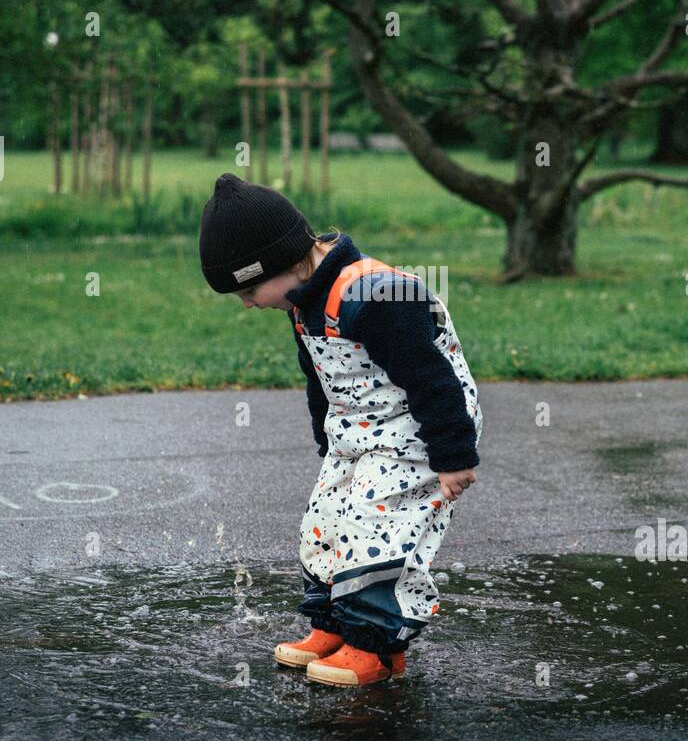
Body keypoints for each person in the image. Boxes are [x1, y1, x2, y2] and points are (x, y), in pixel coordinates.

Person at [199, 172, 483, 687]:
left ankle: (375, 646)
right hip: (361, 431)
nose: (247, 303)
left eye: (248, 288)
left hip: (419, 431)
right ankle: (335, 627)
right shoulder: (304, 300)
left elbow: (430, 378)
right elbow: (321, 378)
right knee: (324, 522)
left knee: (375, 531)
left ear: (282, 262)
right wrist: (327, 443)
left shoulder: (378, 297)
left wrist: (454, 454)